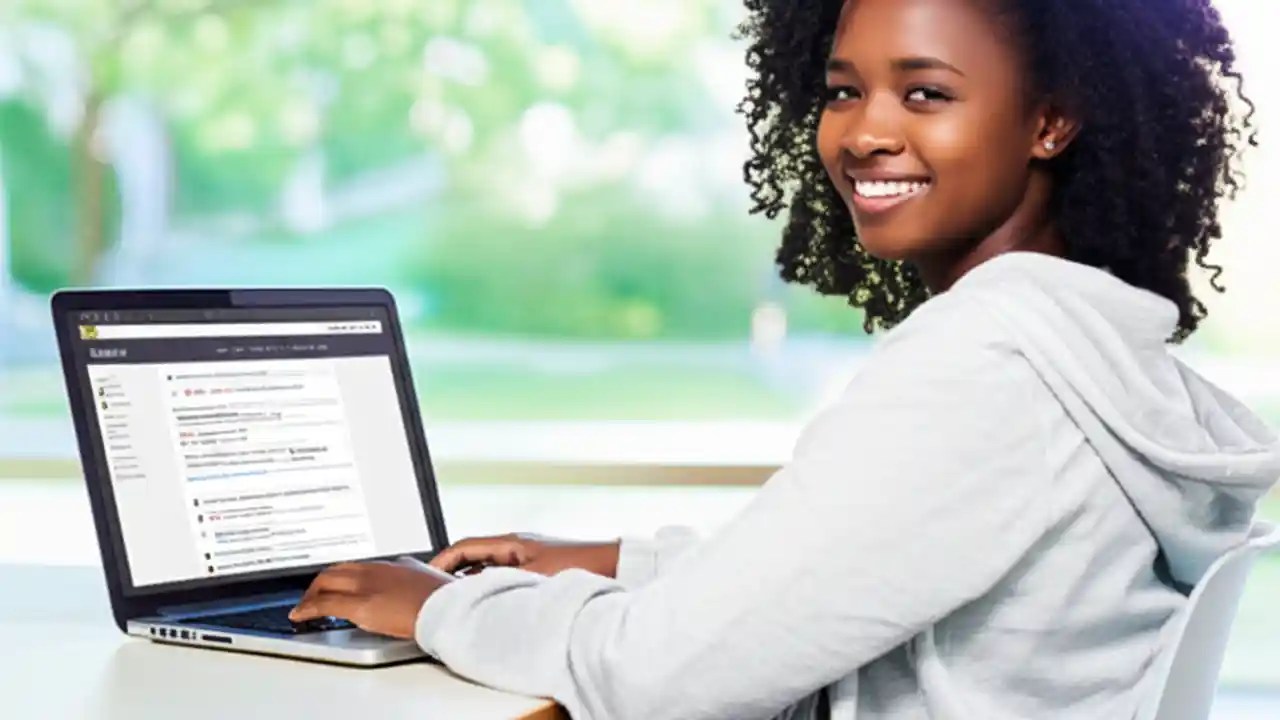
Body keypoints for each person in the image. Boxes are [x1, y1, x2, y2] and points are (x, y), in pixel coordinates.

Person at [289, 0, 1280, 717]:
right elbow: (870, 561)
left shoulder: (986, 362)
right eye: (844, 91)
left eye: (925, 92)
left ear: (1049, 121)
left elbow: (659, 682)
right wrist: (619, 563)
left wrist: (446, 608)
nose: (865, 132)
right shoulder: (1082, 348)